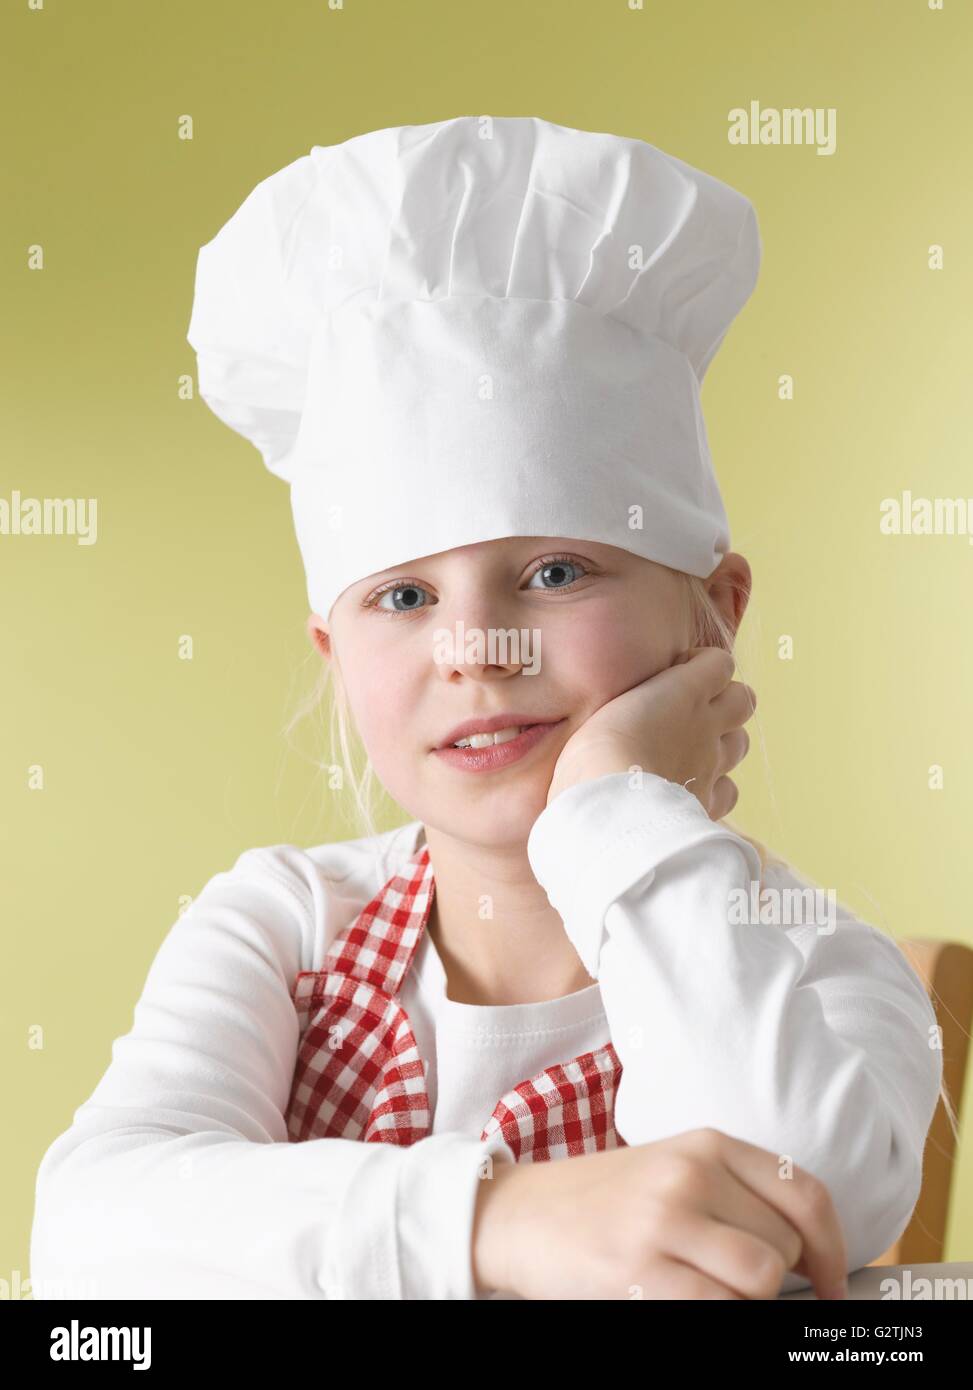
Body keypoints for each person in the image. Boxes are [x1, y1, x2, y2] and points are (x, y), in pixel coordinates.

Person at [30, 115, 945, 1301]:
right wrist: (496, 1221)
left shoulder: (816, 961)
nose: (476, 647)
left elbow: (795, 1217)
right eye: (401, 595)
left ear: (713, 611)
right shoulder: (285, 926)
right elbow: (91, 1240)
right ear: (333, 649)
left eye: (557, 571)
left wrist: (616, 811)